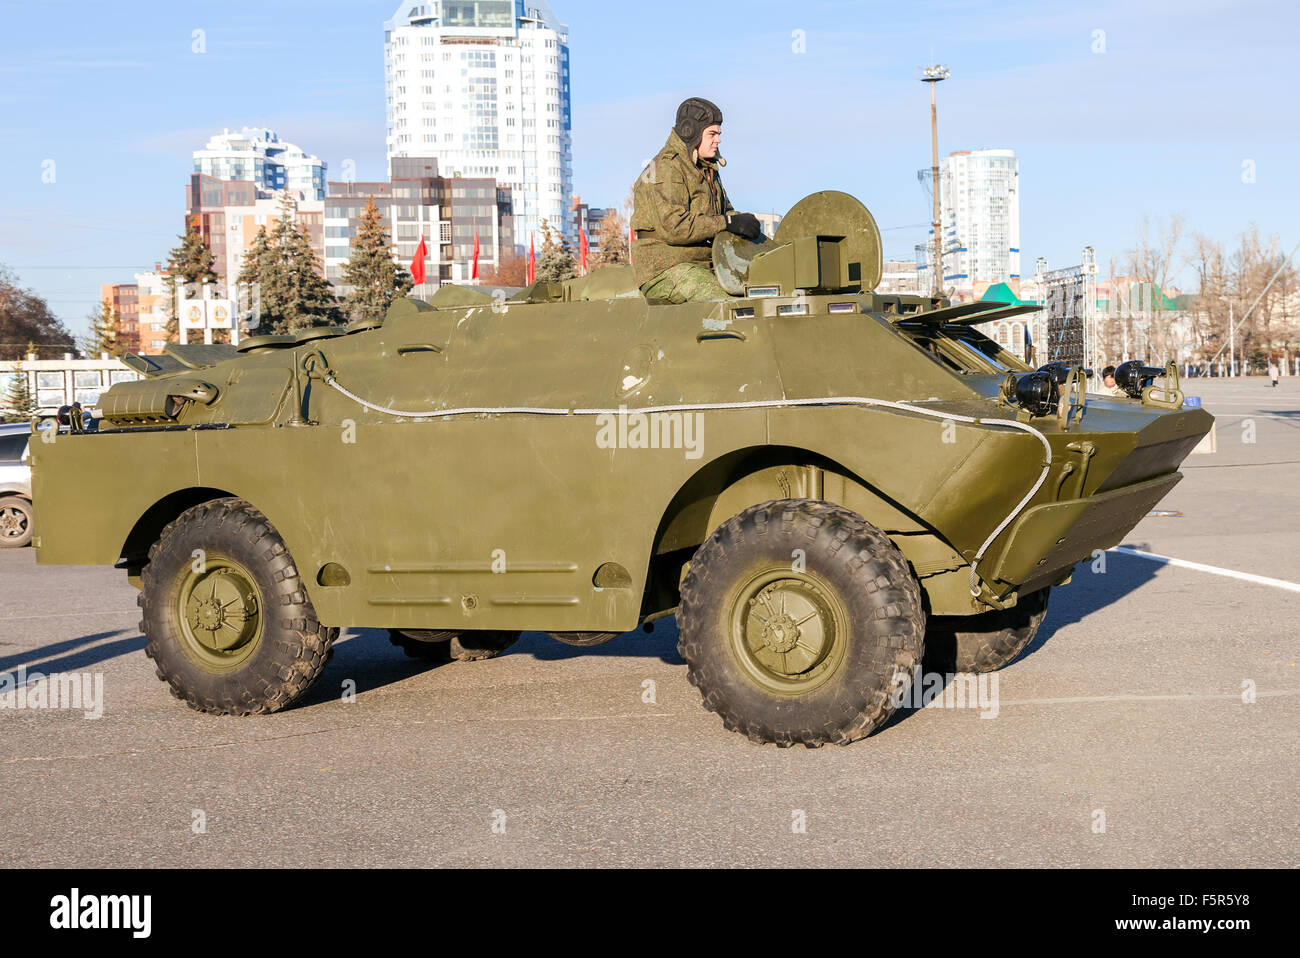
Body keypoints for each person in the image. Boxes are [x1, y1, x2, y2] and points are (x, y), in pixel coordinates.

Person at [630, 97, 762, 304]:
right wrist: (727, 223)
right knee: (727, 307)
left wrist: (742, 222)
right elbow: (674, 226)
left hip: (701, 262)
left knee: (758, 295)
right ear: (690, 131)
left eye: (719, 134)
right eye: (712, 134)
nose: (718, 140)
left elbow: (725, 212)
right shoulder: (665, 169)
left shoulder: (706, 169)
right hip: (665, 267)